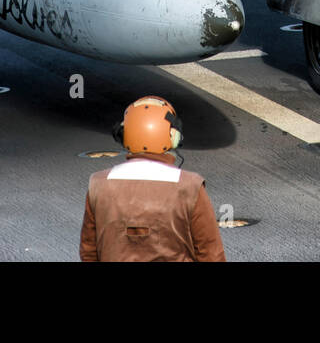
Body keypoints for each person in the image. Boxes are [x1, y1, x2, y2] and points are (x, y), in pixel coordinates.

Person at [79, 95, 226, 262]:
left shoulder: (99, 184)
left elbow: (89, 251)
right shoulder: (190, 186)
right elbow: (211, 254)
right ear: (172, 137)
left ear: (124, 135)